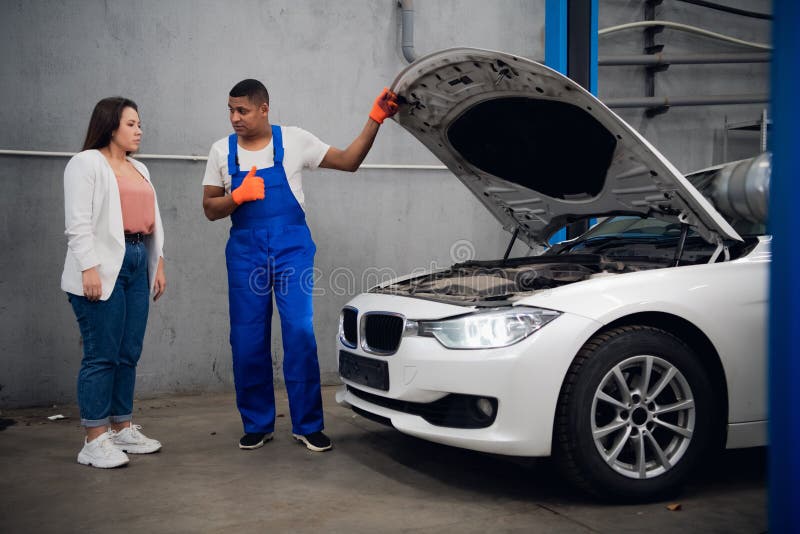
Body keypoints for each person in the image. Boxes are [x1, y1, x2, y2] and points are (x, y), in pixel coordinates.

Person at [202, 79, 398, 452]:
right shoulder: (220, 151)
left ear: (264, 109)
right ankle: (257, 423)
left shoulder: (294, 140)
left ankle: (307, 424)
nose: (235, 118)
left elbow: (349, 161)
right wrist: (237, 197)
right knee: (246, 338)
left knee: (299, 333)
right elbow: (210, 208)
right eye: (230, 110)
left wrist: (375, 119)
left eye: (242, 110)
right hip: (245, 253)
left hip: (291, 250)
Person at [62, 97, 167, 468]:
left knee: (128, 352)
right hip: (103, 265)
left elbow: (152, 219)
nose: (139, 131)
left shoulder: (140, 168)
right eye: (131, 124)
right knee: (102, 354)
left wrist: (158, 263)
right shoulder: (86, 162)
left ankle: (121, 428)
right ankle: (94, 439)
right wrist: (88, 267)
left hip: (137, 261)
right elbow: (77, 223)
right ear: (110, 126)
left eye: (139, 124)